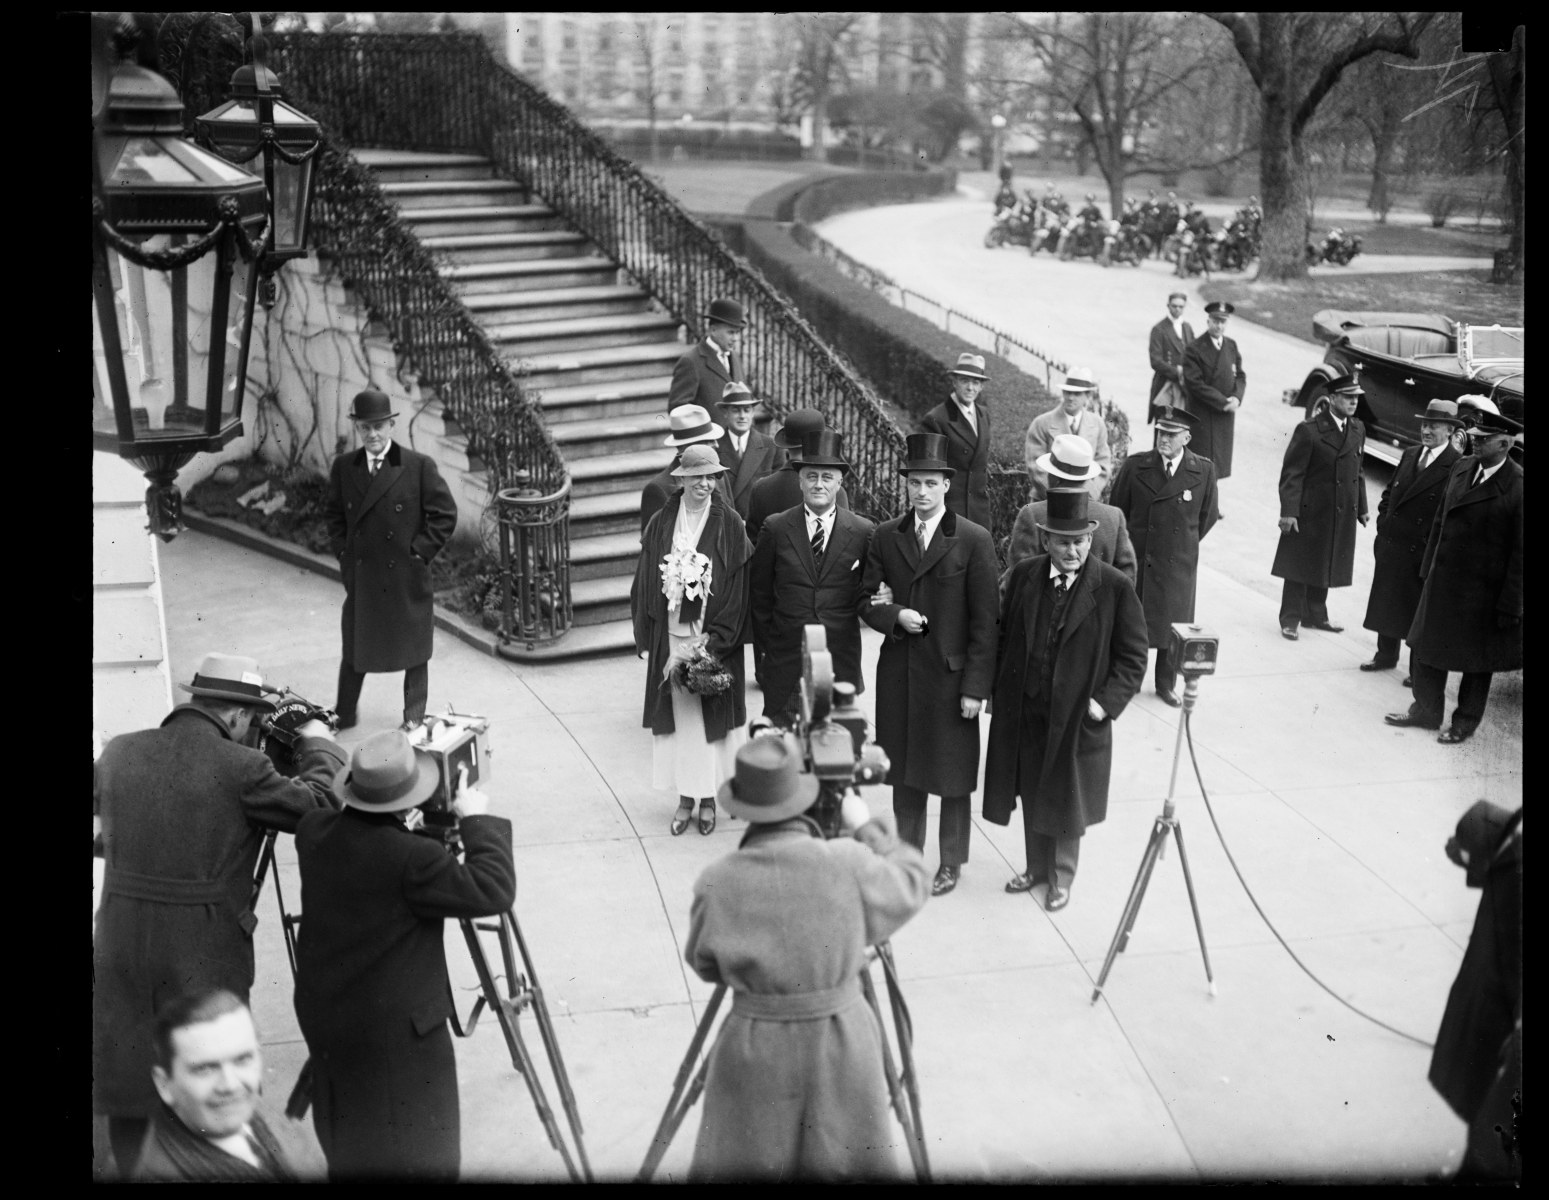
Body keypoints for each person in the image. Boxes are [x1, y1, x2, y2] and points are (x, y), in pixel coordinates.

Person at [93, 652, 342, 1178]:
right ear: (235, 716)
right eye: (252, 724)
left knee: (130, 1083)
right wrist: (318, 740)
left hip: (118, 948)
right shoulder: (243, 769)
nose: (253, 736)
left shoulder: (120, 752)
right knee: (207, 1087)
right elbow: (320, 804)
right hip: (201, 954)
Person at [685, 736, 929, 1181]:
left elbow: (704, 964)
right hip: (843, 1043)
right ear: (802, 797)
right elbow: (914, 879)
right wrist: (865, 827)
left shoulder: (717, 880)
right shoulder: (850, 862)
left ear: (742, 809)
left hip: (754, 1049)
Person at [293, 729, 515, 1182]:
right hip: (396, 1041)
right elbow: (493, 888)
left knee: (354, 1144)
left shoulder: (313, 832)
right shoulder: (414, 860)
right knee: (420, 1153)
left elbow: (367, 846)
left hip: (330, 1024)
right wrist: (476, 820)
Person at [983, 490, 1149, 911]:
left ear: (1091, 541)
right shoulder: (1024, 577)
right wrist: (999, 693)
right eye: (1062, 541)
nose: (1072, 550)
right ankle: (1036, 868)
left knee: (1065, 795)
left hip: (1077, 716)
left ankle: (1061, 876)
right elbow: (1003, 637)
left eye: (1079, 541)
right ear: (1045, 541)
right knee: (1032, 786)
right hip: (1028, 709)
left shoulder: (1112, 587)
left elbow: (1133, 656)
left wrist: (1103, 704)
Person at [859, 432, 999, 898]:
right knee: (905, 771)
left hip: (951, 678)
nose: (921, 492)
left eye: (930, 483)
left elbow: (986, 623)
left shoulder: (972, 540)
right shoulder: (886, 536)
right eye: (914, 483)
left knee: (952, 776)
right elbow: (866, 598)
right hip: (900, 673)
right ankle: (909, 856)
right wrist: (893, 614)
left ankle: (951, 862)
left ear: (946, 486)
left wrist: (975, 689)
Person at [633, 442, 753, 835]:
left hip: (710, 637)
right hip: (671, 635)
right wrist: (648, 635)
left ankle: (708, 803)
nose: (705, 483)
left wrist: (712, 642)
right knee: (682, 723)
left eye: (712, 476)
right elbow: (644, 578)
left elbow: (738, 590)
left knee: (709, 723)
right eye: (697, 476)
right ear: (681, 479)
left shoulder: (730, 523)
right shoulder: (663, 521)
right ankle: (685, 799)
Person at [1386, 401, 1522, 743]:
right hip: (1443, 580)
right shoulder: (1462, 468)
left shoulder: (1519, 487)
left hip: (1483, 595)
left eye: (1484, 437)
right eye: (1474, 434)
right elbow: (1439, 522)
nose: (1474, 440)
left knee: (1477, 663)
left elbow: (1522, 555)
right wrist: (1428, 568)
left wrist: (1511, 604)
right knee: (1427, 649)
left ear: (1505, 443)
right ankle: (1426, 711)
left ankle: (1464, 722)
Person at [326, 389, 458, 730]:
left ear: (391, 426)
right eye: (365, 427)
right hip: (364, 577)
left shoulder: (417, 466)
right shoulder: (344, 467)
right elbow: (334, 516)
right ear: (357, 428)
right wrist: (343, 554)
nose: (373, 434)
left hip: (405, 575)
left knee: (414, 652)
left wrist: (419, 552)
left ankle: (413, 718)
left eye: (379, 426)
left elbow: (445, 514)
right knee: (355, 649)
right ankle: (344, 713)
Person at [749, 429, 875, 726]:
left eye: (827, 477)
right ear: (800, 480)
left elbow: (869, 591)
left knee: (837, 749)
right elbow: (760, 596)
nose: (819, 484)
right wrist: (774, 646)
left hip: (839, 663)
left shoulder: (861, 531)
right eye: (812, 476)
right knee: (785, 749)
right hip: (787, 662)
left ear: (839, 482)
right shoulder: (776, 528)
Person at [1428, 801, 1522, 1181]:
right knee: (1480, 1100)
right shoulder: (1510, 838)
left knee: (1496, 1126)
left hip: (1507, 1014)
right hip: (1489, 996)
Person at [1108, 405, 1220, 706]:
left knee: (1172, 627)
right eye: (1160, 432)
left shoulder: (1204, 470)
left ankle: (1165, 684)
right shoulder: (1136, 466)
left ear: (1186, 438)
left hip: (1177, 562)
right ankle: (1129, 679)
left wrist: (1182, 545)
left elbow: (1206, 518)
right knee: (1134, 624)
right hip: (1140, 558)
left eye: (1171, 434)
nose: (1163, 439)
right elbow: (1118, 509)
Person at [136, 989, 297, 1182]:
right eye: (205, 1069)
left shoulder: (263, 1118)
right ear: (164, 1085)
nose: (230, 1085)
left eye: (243, 1059)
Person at [1359, 399, 1464, 673]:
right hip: (1394, 545)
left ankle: (1417, 671)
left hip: (1421, 551)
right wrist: (1384, 524)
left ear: (1451, 432)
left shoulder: (1456, 466)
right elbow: (1388, 494)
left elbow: (1452, 514)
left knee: (1417, 612)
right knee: (1387, 602)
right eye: (1425, 425)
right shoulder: (1410, 454)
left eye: (1434, 426)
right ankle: (1385, 656)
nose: (1426, 430)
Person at [1271, 373, 1368, 640]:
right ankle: (1290, 619)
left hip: (1339, 511)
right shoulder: (1309, 429)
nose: (1353, 402)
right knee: (1299, 565)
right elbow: (1292, 474)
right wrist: (1289, 512)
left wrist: (1362, 507)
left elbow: (1357, 471)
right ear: (1333, 398)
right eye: (1348, 397)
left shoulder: (1357, 429)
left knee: (1326, 562)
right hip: (1310, 511)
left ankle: (1316, 615)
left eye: (1356, 398)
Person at [1006, 434, 1136, 587]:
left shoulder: (1032, 514)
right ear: (1086, 477)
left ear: (1054, 476)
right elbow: (1127, 574)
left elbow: (1017, 578)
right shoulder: (1113, 517)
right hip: (1100, 609)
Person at [745, 408, 850, 543]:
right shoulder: (834, 491)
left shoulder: (760, 489)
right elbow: (843, 542)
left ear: (787, 444)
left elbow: (752, 544)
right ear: (820, 443)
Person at [916, 352, 993, 527]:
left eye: (976, 382)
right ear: (954, 382)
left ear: (981, 387)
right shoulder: (936, 418)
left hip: (978, 511)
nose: (970, 388)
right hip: (948, 511)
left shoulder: (983, 414)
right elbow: (927, 472)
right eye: (965, 381)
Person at [1024, 367, 1113, 500]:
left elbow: (1103, 465)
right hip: (1046, 500)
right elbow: (1035, 467)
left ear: (1087, 396)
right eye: (1067, 392)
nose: (1070, 398)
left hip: (1086, 502)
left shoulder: (1097, 424)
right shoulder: (1041, 423)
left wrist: (1088, 496)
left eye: (1077, 394)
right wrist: (1059, 498)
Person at [640, 403, 731, 534]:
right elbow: (652, 545)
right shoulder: (658, 489)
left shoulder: (718, 475)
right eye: (709, 440)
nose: (716, 444)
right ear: (689, 447)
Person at [1182, 300, 1246, 480]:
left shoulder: (1231, 345)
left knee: (1218, 469)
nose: (1219, 326)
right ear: (1208, 321)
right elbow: (1194, 383)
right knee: (1200, 467)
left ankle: (1211, 505)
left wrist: (1236, 398)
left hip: (1225, 417)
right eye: (1215, 321)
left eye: (1223, 322)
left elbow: (1240, 375)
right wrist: (1223, 402)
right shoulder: (1194, 348)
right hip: (1203, 415)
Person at [714, 381, 785, 523]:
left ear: (753, 413)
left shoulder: (771, 446)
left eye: (746, 410)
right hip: (726, 525)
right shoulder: (714, 448)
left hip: (760, 526)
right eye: (736, 410)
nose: (742, 416)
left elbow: (778, 492)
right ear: (725, 413)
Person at [668, 297, 746, 412]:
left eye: (737, 333)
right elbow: (678, 409)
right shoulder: (691, 361)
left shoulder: (734, 357)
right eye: (730, 332)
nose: (735, 338)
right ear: (713, 330)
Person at [1147, 292, 1195, 423]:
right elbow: (1155, 361)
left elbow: (1194, 355)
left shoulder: (1187, 327)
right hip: (1165, 385)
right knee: (1163, 425)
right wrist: (1177, 372)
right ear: (1168, 306)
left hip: (1183, 386)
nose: (1177, 309)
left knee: (1181, 426)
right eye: (1174, 306)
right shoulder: (1159, 329)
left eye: (1181, 307)